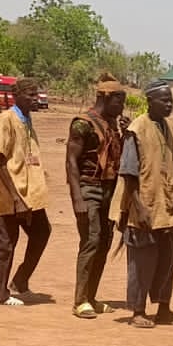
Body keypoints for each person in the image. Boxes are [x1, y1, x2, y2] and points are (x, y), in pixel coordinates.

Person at [112, 80, 173, 329]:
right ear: (149, 101)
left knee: (168, 260)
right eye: (164, 100)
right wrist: (139, 207)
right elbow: (129, 175)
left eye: (170, 101)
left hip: (166, 207)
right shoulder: (137, 130)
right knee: (141, 262)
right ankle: (138, 311)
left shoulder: (171, 129)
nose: (168, 104)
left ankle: (164, 309)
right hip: (143, 206)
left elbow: (171, 172)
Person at [0, 77, 51, 306]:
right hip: (9, 194)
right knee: (5, 244)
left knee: (42, 232)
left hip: (29, 194)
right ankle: (0, 293)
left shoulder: (26, 120)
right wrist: (16, 199)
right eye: (30, 95)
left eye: (36, 94)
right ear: (16, 96)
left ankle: (20, 280)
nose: (35, 99)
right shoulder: (6, 119)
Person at [67, 73, 128, 319]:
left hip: (109, 190)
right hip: (89, 187)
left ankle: (91, 296)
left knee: (104, 242)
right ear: (105, 98)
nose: (122, 106)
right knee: (91, 241)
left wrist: (126, 135)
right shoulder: (82, 124)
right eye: (119, 101)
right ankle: (80, 300)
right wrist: (77, 199)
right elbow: (71, 162)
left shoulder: (113, 124)